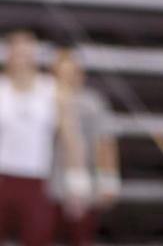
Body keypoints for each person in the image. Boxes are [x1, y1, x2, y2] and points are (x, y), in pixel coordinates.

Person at [0, 31, 86, 246]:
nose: (21, 59)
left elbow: (71, 139)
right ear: (8, 56)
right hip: (3, 176)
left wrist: (77, 182)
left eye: (26, 53)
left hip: (37, 180)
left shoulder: (52, 90)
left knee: (38, 238)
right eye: (16, 53)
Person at [48, 49, 120, 246]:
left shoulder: (92, 103)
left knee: (80, 237)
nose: (68, 79)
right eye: (62, 74)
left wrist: (108, 179)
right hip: (48, 185)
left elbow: (104, 142)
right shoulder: (45, 100)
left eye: (72, 73)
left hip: (82, 183)